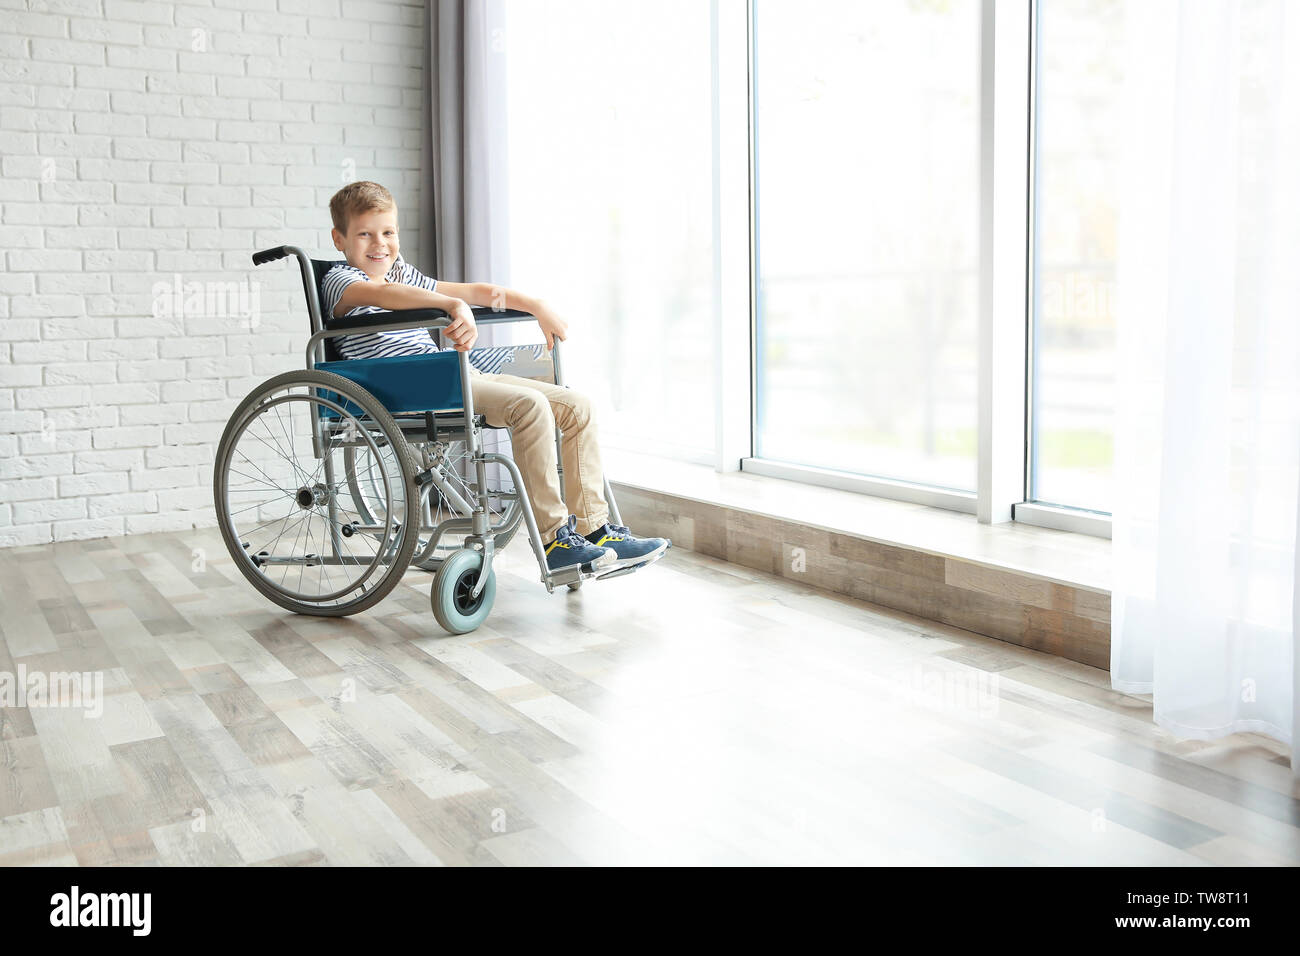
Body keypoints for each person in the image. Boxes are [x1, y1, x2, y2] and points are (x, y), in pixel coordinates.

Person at [320, 181, 668, 576]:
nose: (379, 244)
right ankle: (555, 540)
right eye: (364, 233)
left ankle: (597, 531)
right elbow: (382, 297)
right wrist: (450, 306)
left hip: (450, 375)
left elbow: (478, 291)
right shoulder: (339, 279)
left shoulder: (402, 274)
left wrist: (534, 304)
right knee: (529, 406)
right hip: (409, 388)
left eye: (388, 232)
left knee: (577, 406)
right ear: (339, 238)